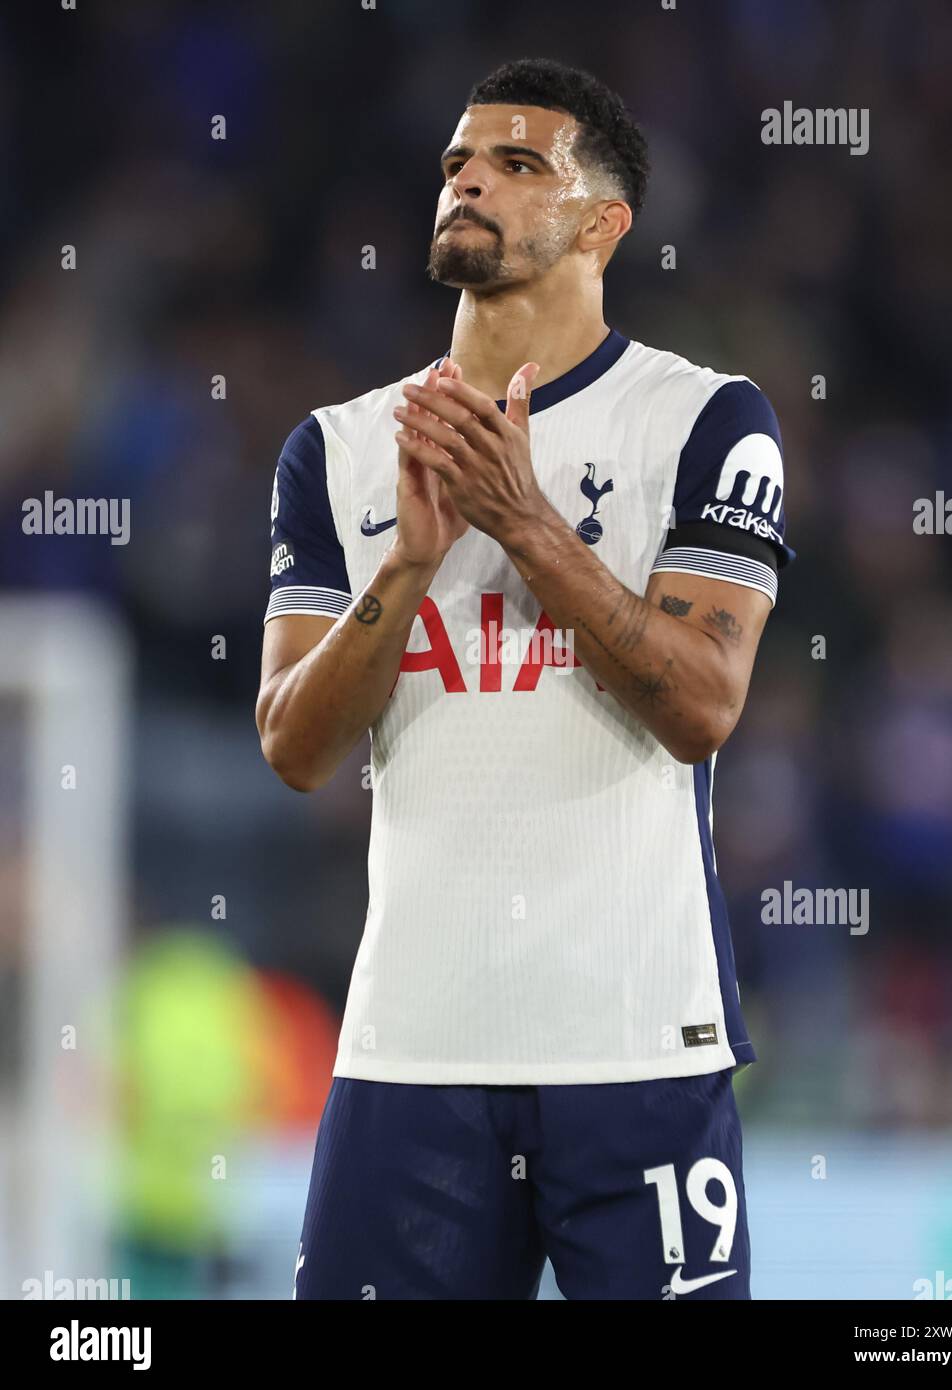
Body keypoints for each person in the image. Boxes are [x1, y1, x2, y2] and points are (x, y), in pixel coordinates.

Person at [256, 57, 794, 1300]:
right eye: (456, 162)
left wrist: (526, 523)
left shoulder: (708, 419)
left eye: (516, 163)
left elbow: (702, 707)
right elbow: (293, 746)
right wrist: (414, 562)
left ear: (602, 223)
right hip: (412, 1051)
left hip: (636, 1043)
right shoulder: (337, 447)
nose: (468, 180)